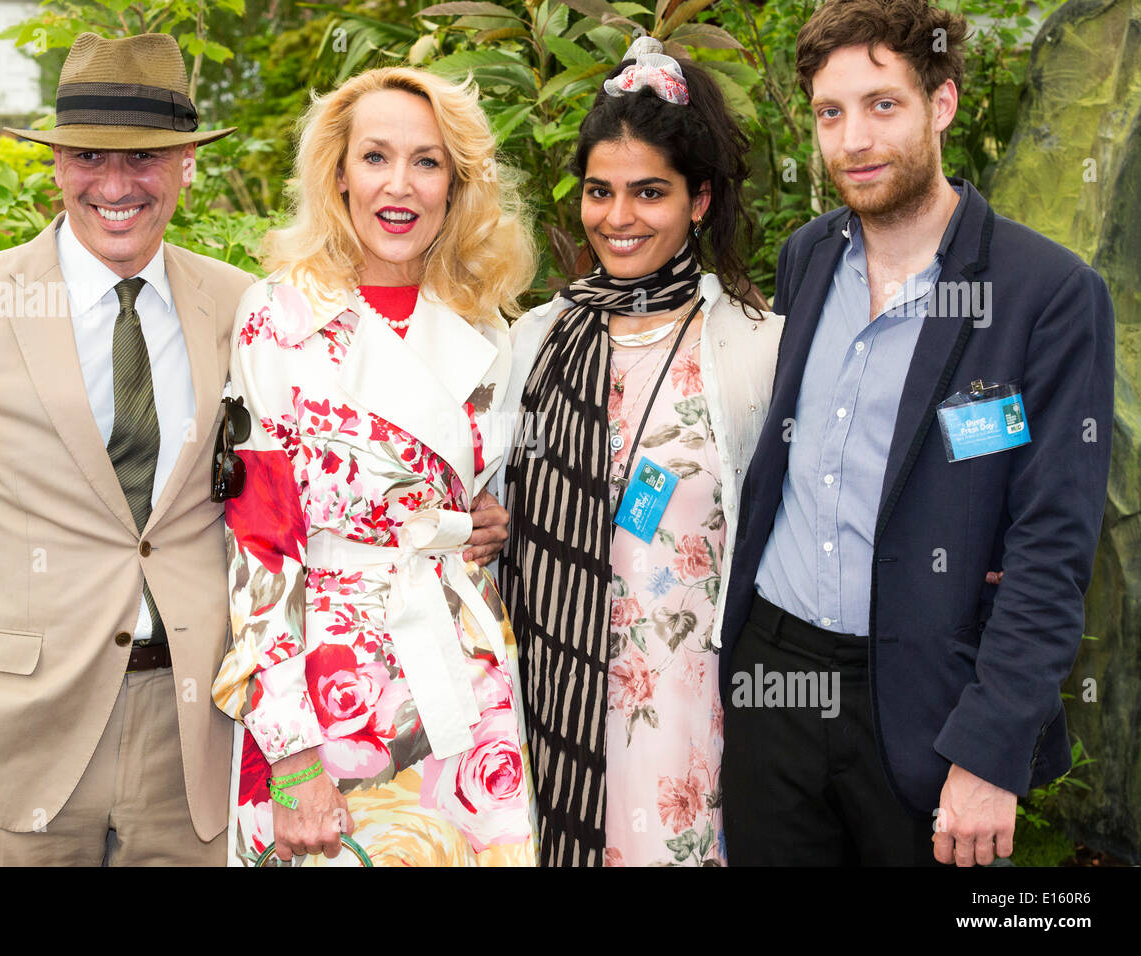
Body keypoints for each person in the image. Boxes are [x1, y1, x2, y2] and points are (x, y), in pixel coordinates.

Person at [0, 32, 254, 865]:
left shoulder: (244, 308)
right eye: (89, 156)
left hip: (197, 741)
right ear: (56, 161)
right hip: (7, 745)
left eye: (144, 159)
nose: (115, 184)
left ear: (185, 165)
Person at [719, 0, 1114, 866]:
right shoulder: (807, 257)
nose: (854, 138)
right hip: (775, 677)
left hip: (929, 699)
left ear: (942, 104)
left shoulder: (1047, 295)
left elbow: (1052, 548)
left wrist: (990, 748)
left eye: (883, 104)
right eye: (832, 112)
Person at [209, 66, 539, 866]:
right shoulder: (278, 317)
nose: (400, 185)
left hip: (466, 674)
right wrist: (290, 760)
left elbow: (467, 492)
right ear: (338, 173)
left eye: (427, 162)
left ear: (457, 185)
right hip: (327, 695)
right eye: (376, 157)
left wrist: (486, 520)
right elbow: (260, 547)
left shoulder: (485, 324)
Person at [498, 37, 783, 867]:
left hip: (688, 719)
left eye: (648, 193)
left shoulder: (754, 350)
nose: (617, 218)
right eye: (600, 191)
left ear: (699, 200)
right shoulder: (536, 340)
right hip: (547, 703)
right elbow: (484, 489)